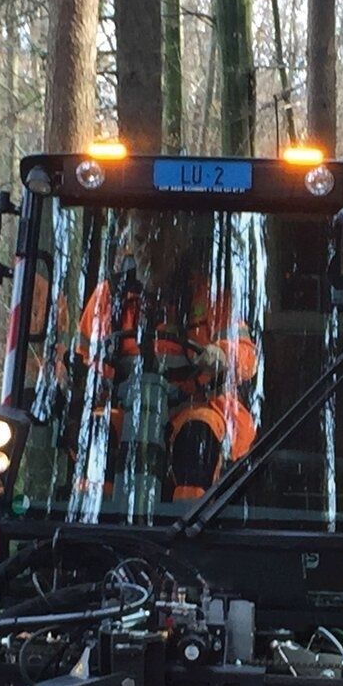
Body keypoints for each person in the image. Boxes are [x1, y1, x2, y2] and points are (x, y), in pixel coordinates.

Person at [73, 210, 258, 501]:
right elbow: (84, 362)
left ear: (180, 244)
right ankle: (93, 520)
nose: (149, 251)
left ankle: (188, 525)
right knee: (97, 432)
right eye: (141, 240)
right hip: (126, 408)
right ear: (130, 243)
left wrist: (222, 354)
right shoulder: (108, 297)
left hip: (192, 405)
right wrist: (93, 380)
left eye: (159, 242)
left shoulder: (210, 296)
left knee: (198, 435)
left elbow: (246, 356)